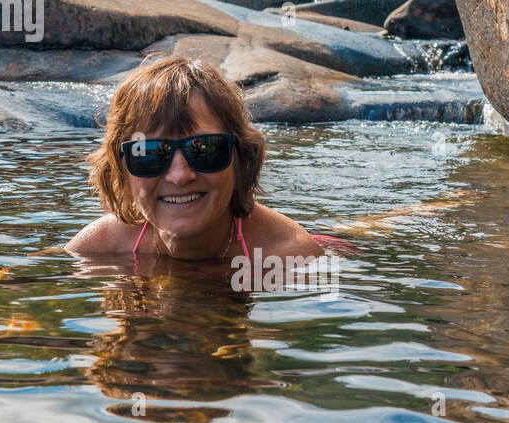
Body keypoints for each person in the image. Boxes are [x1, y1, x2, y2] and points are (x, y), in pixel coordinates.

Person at [66, 54, 336, 266]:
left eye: (205, 149)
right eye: (149, 152)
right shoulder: (100, 247)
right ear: (120, 170)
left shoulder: (290, 257)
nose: (180, 175)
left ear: (241, 160)